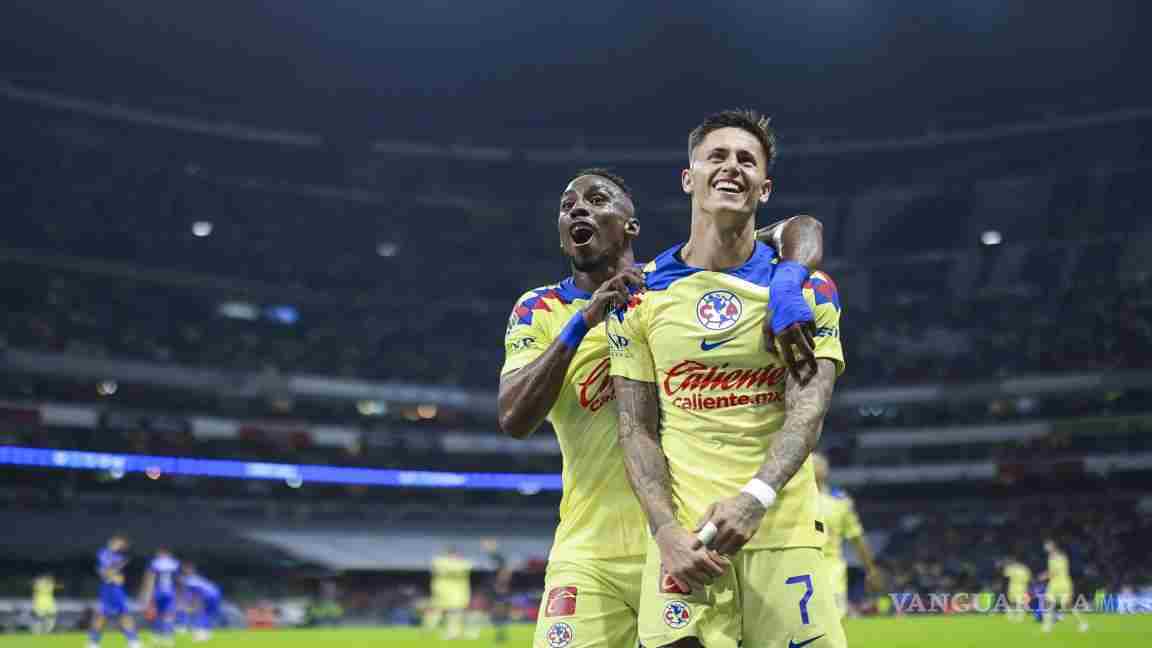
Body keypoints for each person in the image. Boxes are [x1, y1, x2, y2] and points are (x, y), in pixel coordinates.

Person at [500, 167, 825, 648]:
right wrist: (584, 321)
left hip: (684, 539)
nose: (578, 210)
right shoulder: (538, 308)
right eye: (568, 206)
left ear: (631, 226)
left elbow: (800, 229)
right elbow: (514, 418)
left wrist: (788, 281)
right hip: (589, 551)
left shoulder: (674, 283)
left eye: (596, 199)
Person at [609, 109, 847, 648]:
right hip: (685, 546)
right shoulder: (639, 294)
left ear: (765, 188)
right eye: (716, 156)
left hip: (782, 533)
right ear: (688, 178)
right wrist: (665, 531)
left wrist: (755, 497)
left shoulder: (810, 290)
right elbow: (635, 428)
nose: (732, 167)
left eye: (747, 160)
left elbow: (808, 408)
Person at [813, 453, 880, 617]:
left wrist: (871, 569)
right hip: (798, 566)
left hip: (831, 569)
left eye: (818, 464)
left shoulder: (840, 502)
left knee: (833, 620)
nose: (815, 467)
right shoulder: (790, 500)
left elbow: (857, 538)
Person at [89, 535, 141, 648]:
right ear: (112, 542)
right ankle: (93, 643)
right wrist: (113, 575)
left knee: (125, 614)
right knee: (101, 616)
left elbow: (113, 572)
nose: (121, 546)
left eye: (122, 544)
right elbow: (104, 571)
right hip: (107, 589)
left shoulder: (120, 557)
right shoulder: (103, 553)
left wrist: (114, 574)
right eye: (119, 543)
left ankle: (133, 641)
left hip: (117, 590)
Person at [1039, 539, 1088, 633]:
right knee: (1048, 603)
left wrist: (1044, 576)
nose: (1045, 547)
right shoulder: (1053, 557)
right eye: (1045, 545)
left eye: (1047, 545)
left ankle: (1082, 623)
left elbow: (1054, 571)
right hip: (1055, 584)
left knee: (1067, 605)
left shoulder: (1058, 557)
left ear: (1053, 546)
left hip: (1062, 583)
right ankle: (1048, 626)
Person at [429, 546, 474, 640]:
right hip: (444, 591)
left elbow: (467, 566)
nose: (456, 556)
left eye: (457, 554)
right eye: (454, 554)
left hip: (458, 592)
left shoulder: (462, 563)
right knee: (440, 610)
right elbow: (439, 566)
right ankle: (431, 630)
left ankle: (454, 633)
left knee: (455, 612)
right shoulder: (440, 561)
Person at [139, 547, 181, 646]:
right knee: (168, 615)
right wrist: (179, 595)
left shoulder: (155, 563)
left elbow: (150, 579)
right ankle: (168, 638)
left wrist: (146, 594)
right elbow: (178, 580)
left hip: (158, 591)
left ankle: (156, 637)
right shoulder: (174, 563)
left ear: (160, 553)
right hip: (170, 592)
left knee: (157, 614)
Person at [181, 564, 222, 642]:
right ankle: (206, 634)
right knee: (208, 615)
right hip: (216, 593)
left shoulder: (189, 581)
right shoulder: (196, 578)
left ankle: (201, 635)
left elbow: (194, 595)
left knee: (203, 614)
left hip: (209, 595)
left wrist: (192, 606)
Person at [1000, 556, 1032, 622]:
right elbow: (1029, 579)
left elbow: (1005, 575)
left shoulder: (1011, 568)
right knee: (1020, 603)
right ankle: (1019, 617)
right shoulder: (1025, 569)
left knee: (1012, 603)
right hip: (1022, 587)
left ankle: (1011, 616)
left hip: (1013, 587)